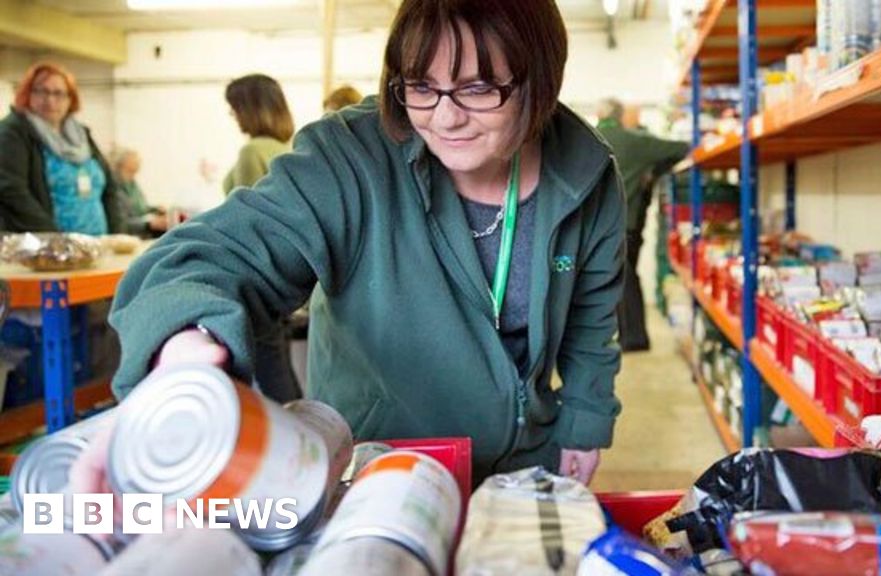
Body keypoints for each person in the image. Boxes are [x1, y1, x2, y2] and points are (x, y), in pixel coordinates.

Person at [104, 0, 624, 487]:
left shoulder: (585, 174)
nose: (444, 118)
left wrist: (585, 417)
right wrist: (185, 349)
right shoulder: (349, 158)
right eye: (421, 85)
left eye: (478, 88)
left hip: (522, 464)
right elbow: (223, 253)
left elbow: (592, 313)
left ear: (541, 80)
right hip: (379, 468)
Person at [221, 72, 302, 403]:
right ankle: (306, 432)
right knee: (279, 365)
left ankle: (295, 441)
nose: (233, 116)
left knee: (271, 373)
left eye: (234, 108)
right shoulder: (288, 148)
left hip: (256, 275)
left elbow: (247, 223)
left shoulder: (252, 152)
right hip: (286, 275)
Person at [596, 98, 687, 352]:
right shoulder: (634, 141)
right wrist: (655, 171)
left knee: (614, 279)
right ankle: (634, 337)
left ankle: (628, 336)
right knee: (627, 277)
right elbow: (679, 148)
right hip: (627, 222)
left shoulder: (588, 138)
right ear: (621, 115)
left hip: (596, 226)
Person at [0, 62, 123, 234]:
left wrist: (117, 234)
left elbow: (109, 188)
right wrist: (55, 240)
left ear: (70, 99)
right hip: (46, 250)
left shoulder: (82, 134)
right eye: (41, 91)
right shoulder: (13, 132)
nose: (50, 100)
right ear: (27, 94)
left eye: (58, 93)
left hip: (97, 246)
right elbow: (11, 190)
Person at [222, 73, 295, 194]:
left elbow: (246, 210)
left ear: (249, 109)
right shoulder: (292, 147)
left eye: (235, 107)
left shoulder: (251, 151)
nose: (231, 113)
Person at [109, 147, 170, 238]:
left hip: (142, 233)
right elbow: (119, 225)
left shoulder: (133, 184)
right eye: (130, 171)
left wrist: (156, 209)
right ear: (121, 165)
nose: (133, 176)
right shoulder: (114, 189)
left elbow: (140, 209)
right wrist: (149, 224)